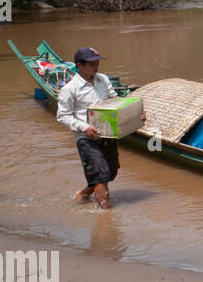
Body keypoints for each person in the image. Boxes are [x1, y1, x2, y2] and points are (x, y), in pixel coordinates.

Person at [56, 47, 143, 208]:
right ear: (79, 66)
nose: (96, 67)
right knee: (101, 176)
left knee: (111, 172)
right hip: (86, 138)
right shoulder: (70, 89)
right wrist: (84, 128)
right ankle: (106, 213)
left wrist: (135, 115)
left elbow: (114, 100)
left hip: (108, 133)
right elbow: (63, 116)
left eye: (97, 64)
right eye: (91, 64)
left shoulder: (102, 79)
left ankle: (83, 194)